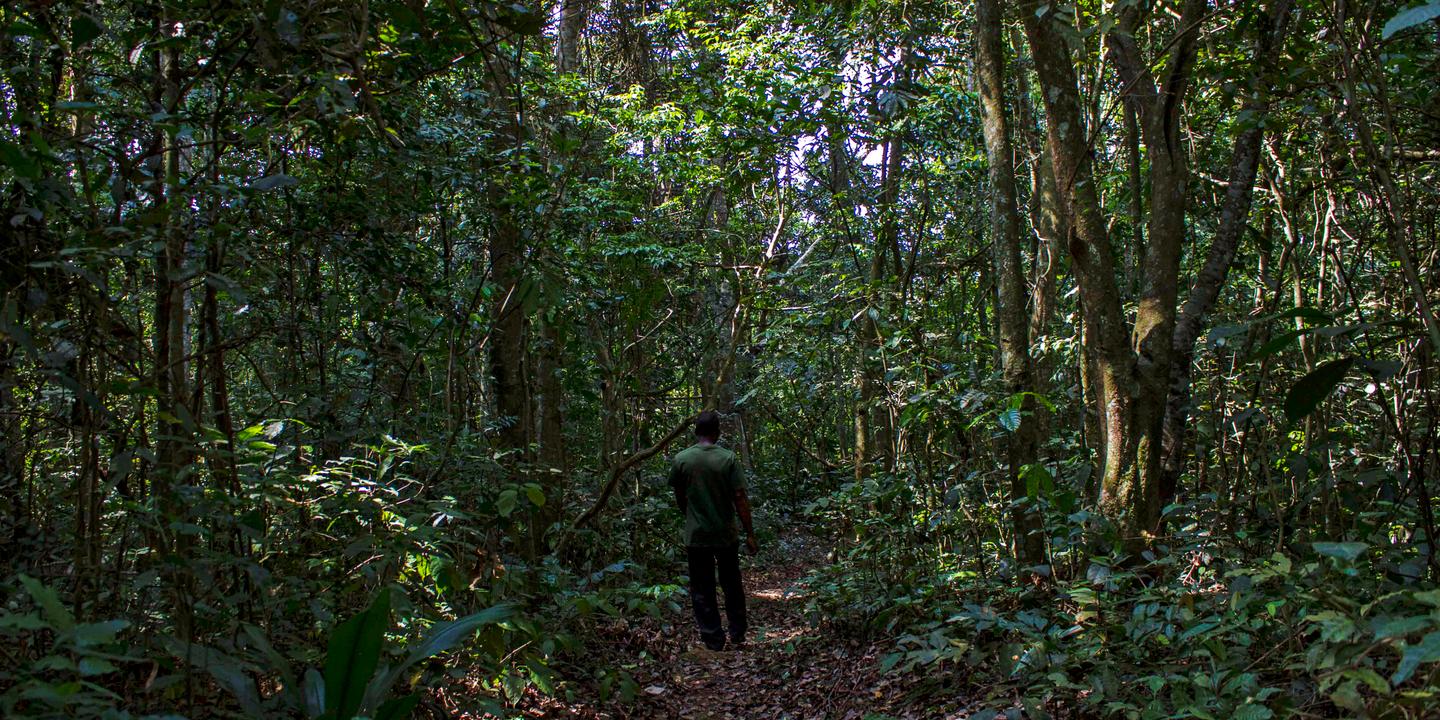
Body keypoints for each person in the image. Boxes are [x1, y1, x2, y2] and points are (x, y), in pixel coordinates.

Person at [668, 410, 757, 651]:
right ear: (717, 432)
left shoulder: (682, 459)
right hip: (725, 534)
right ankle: (737, 633)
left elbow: (680, 496)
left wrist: (691, 517)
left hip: (697, 536)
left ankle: (712, 638)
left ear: (697, 432)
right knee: (732, 584)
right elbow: (740, 497)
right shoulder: (727, 458)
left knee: (702, 587)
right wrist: (749, 533)